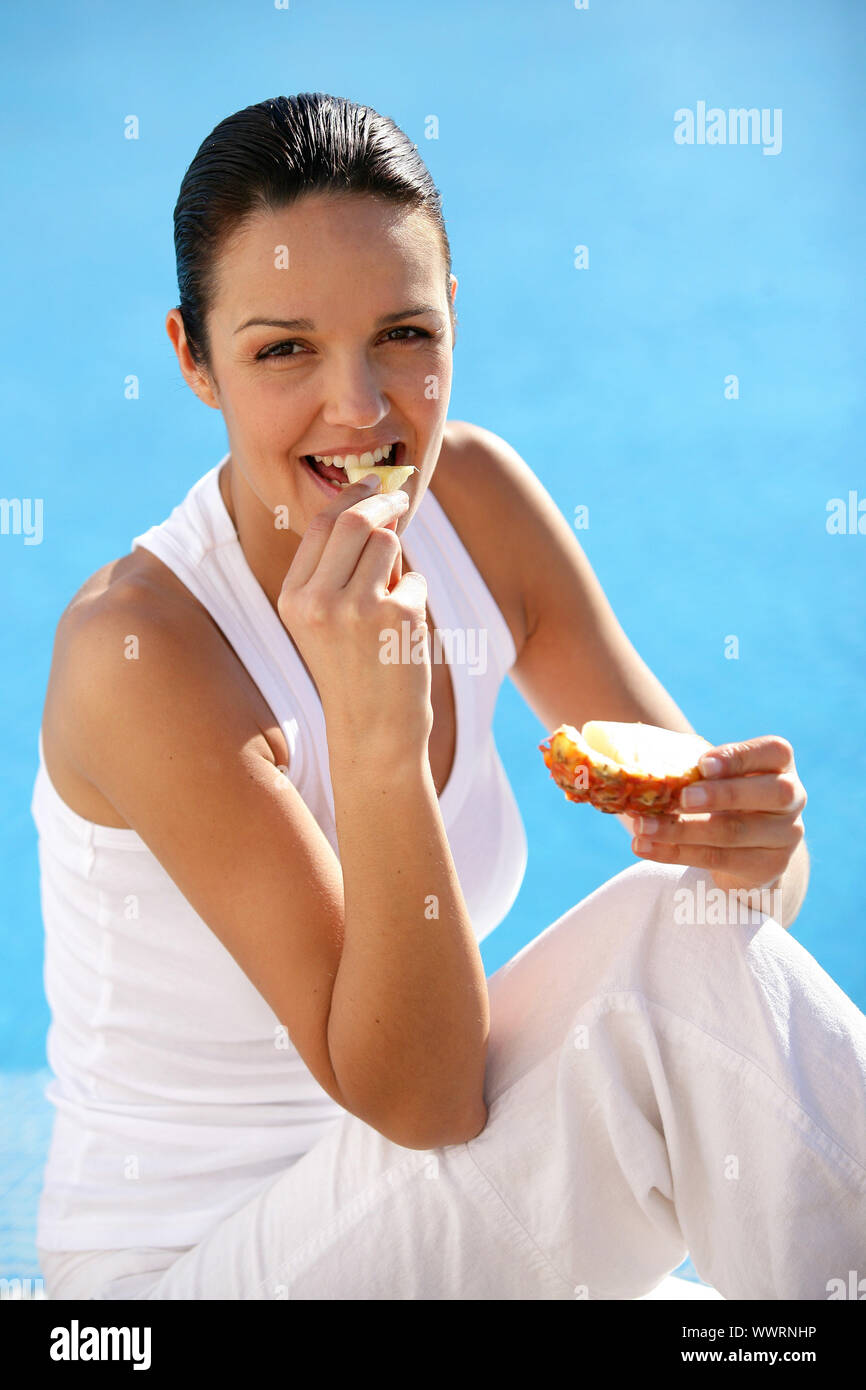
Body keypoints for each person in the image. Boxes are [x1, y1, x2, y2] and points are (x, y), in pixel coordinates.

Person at [32, 93, 865, 1301]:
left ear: (454, 321)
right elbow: (424, 1097)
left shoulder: (474, 501)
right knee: (647, 955)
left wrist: (752, 848)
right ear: (191, 359)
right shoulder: (144, 654)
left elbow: (740, 909)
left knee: (676, 948)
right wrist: (372, 741)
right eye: (282, 350)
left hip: (416, 1212)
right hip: (183, 1283)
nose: (362, 407)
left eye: (404, 335)